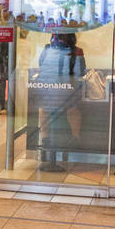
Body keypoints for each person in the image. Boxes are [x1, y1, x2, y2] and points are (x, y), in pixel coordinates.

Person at [34, 32, 86, 172]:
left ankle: (45, 138)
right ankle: (76, 137)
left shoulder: (46, 49)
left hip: (48, 91)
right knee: (72, 109)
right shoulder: (77, 51)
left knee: (44, 109)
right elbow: (81, 72)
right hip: (67, 92)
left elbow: (41, 65)